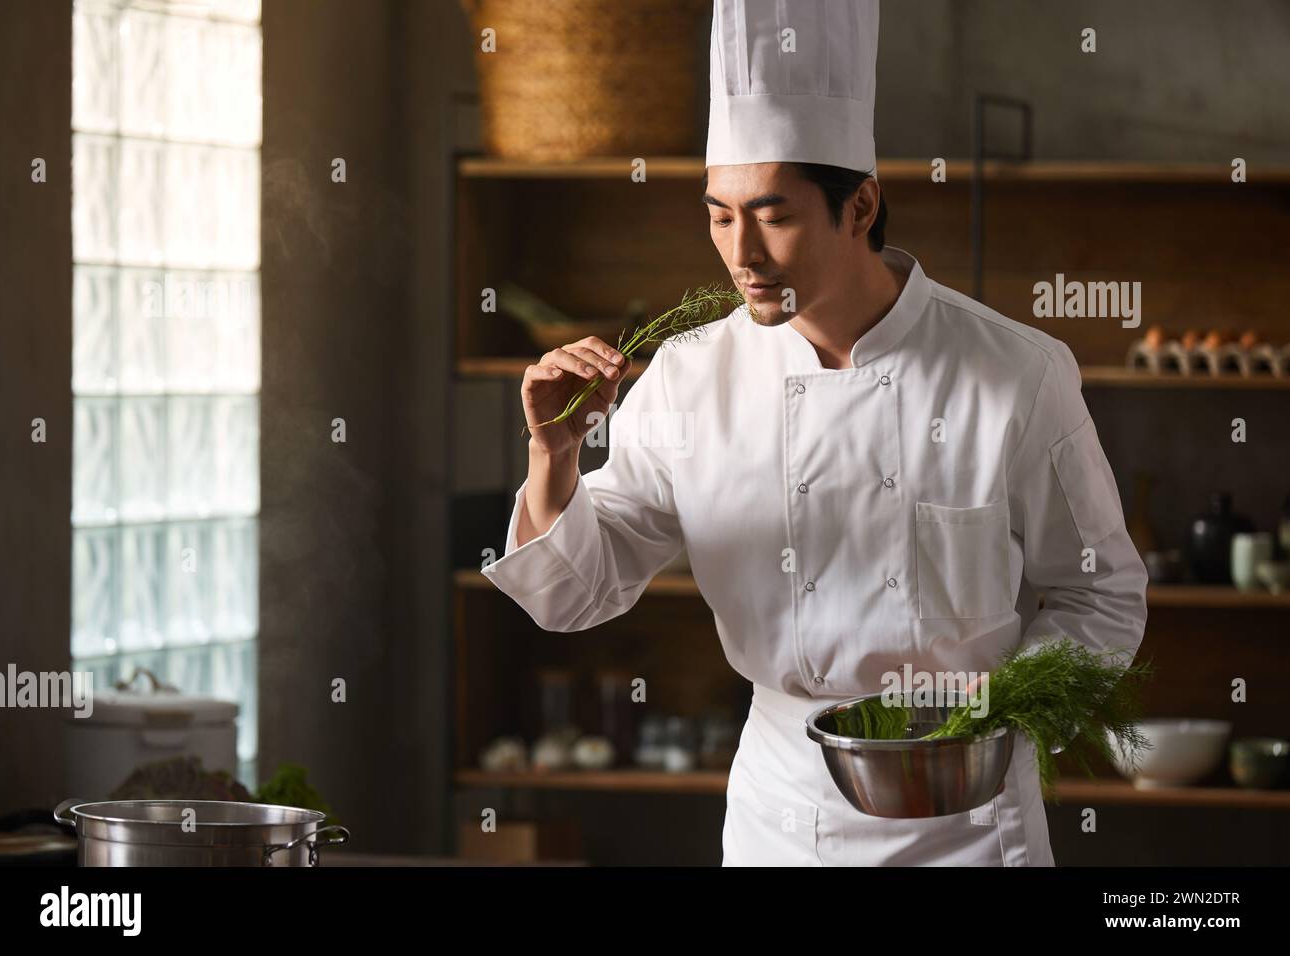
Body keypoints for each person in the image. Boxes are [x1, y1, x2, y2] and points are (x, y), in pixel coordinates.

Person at [481, 0, 1147, 866]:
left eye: (774, 215)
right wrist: (554, 456)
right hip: (784, 814)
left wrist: (1000, 723)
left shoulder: (1017, 372)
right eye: (720, 216)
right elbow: (572, 597)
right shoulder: (689, 377)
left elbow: (1101, 594)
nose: (742, 255)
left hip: (969, 818)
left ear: (860, 205)